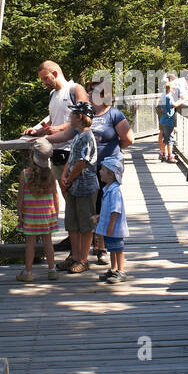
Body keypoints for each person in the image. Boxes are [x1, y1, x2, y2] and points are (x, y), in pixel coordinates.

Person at [86, 71, 134, 264]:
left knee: (105, 204)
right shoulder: (86, 113)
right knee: (92, 203)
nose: (89, 93)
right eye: (89, 89)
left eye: (93, 90)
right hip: (89, 166)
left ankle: (102, 247)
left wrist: (112, 150)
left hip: (108, 168)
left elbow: (128, 138)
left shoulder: (114, 113)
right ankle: (95, 243)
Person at [24, 60, 89, 179]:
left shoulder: (75, 89)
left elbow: (84, 119)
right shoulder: (52, 94)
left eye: (46, 78)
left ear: (55, 73)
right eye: (42, 80)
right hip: (55, 153)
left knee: (75, 192)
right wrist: (37, 131)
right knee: (60, 194)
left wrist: (58, 128)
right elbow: (52, 121)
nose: (44, 83)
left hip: (74, 153)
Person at [58, 101, 99, 273]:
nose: (70, 116)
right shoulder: (77, 135)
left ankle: (83, 259)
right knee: (72, 223)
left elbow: (82, 163)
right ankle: (74, 257)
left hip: (85, 186)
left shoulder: (87, 137)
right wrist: (64, 175)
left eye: (73, 114)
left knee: (85, 224)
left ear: (80, 117)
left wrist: (69, 178)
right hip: (73, 186)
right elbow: (72, 159)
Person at [14, 138, 59, 283]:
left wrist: (19, 212)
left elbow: (21, 196)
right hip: (47, 213)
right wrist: (56, 212)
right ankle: (52, 270)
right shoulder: (51, 174)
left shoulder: (25, 174)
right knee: (48, 242)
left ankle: (28, 272)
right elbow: (55, 195)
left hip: (30, 214)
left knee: (30, 243)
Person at [96, 155, 129, 283]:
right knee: (112, 249)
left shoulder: (115, 191)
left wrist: (111, 225)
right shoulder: (107, 189)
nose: (100, 171)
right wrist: (100, 216)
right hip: (109, 226)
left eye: (103, 170)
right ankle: (113, 269)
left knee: (118, 249)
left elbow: (115, 210)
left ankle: (121, 271)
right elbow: (108, 208)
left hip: (115, 227)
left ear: (111, 174)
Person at [157, 73, 178, 163]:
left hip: (163, 113)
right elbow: (173, 105)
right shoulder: (169, 95)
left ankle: (163, 154)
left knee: (164, 134)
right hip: (166, 116)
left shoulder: (166, 91)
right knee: (168, 136)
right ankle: (167, 155)